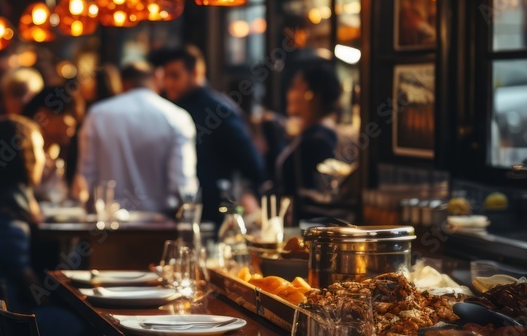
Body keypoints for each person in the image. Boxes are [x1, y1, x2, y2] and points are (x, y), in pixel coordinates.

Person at [157, 45, 266, 225]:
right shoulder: (170, 109)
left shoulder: (219, 110)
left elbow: (253, 164)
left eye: (175, 76)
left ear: (196, 72)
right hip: (176, 212)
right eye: (166, 76)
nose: (168, 83)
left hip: (212, 214)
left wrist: (247, 195)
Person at [77, 61, 198, 214]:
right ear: (155, 80)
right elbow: (182, 183)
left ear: (123, 84)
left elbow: (85, 176)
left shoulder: (98, 114)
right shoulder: (176, 117)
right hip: (158, 223)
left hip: (108, 222)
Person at [274, 58, 343, 208]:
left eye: (295, 87)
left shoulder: (317, 139)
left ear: (310, 95)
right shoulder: (315, 134)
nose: (289, 94)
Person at [0, 66, 44, 134]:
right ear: (5, 96)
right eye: (17, 93)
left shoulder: (40, 124)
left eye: (30, 97)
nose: (22, 100)